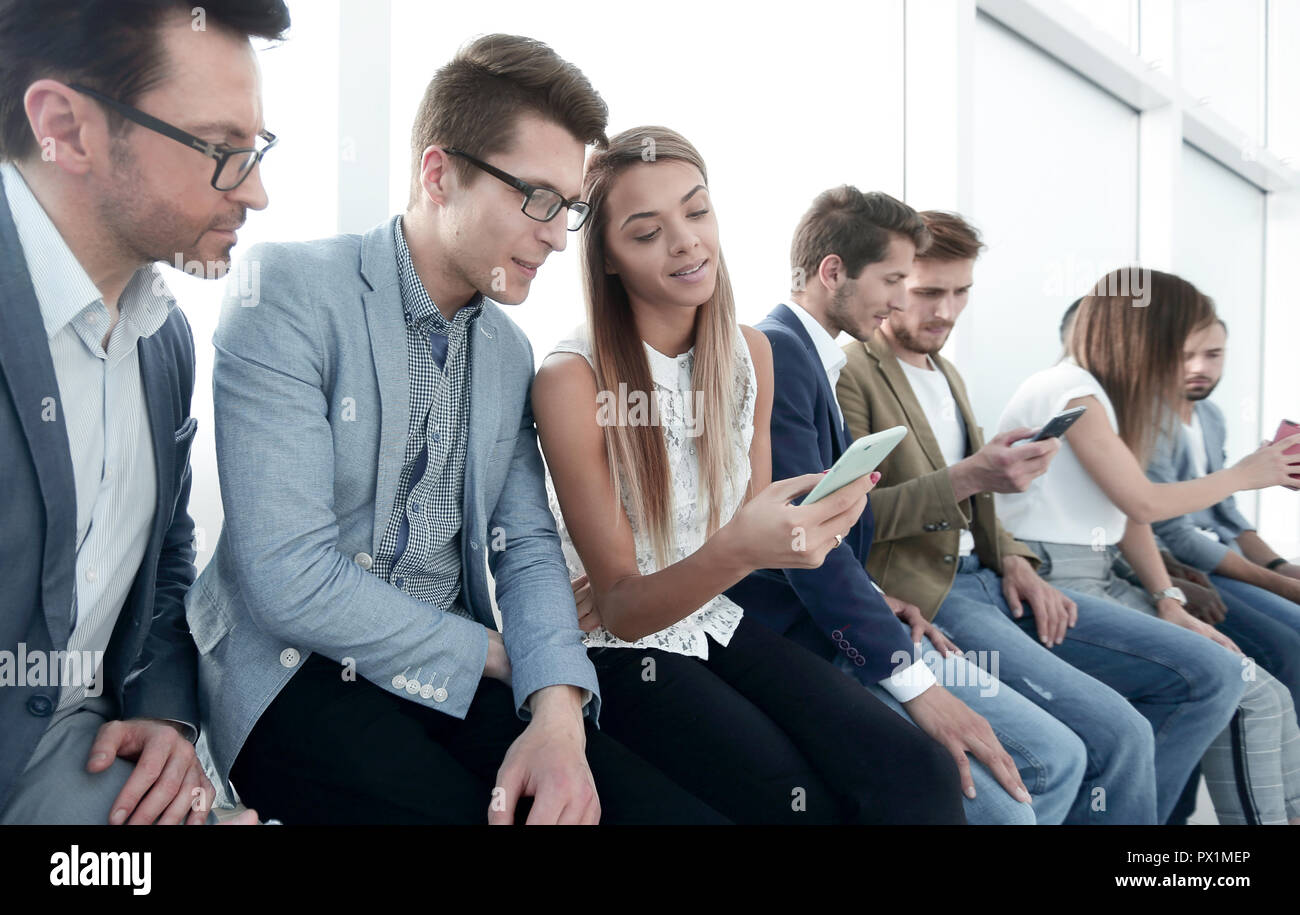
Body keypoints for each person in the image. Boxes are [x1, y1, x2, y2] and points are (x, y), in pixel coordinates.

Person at [190, 35, 726, 825]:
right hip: (296, 673)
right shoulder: (288, 293)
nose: (554, 234)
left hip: (462, 675)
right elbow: (288, 577)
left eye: (568, 208)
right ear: (438, 174)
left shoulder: (508, 352)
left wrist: (556, 707)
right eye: (536, 197)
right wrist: (486, 653)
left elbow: (529, 545)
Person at [534, 127, 967, 824]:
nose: (687, 243)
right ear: (607, 259)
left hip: (712, 613)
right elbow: (623, 609)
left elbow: (748, 533)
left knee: (918, 771)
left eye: (696, 211)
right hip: (619, 648)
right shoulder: (570, 378)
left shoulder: (752, 355)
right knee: (801, 802)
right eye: (647, 232)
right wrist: (728, 552)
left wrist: (819, 521)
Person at [837, 212, 1250, 824]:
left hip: (997, 579)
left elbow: (978, 506)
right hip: (936, 594)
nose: (946, 311)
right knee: (1118, 736)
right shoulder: (852, 371)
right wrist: (976, 475)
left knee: (1205, 675)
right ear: (892, 284)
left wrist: (1015, 561)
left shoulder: (945, 373)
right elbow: (851, 518)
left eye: (962, 292)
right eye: (928, 292)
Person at [0, 0, 286, 826]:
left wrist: (165, 710)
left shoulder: (163, 341)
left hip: (74, 750)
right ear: (68, 127)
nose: (258, 192)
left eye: (255, 148)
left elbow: (167, 551)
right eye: (222, 151)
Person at [727, 188, 1086, 825]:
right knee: (1023, 798)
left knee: (1057, 757)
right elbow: (804, 542)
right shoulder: (780, 352)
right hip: (807, 639)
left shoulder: (812, 356)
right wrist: (913, 682)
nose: (901, 300)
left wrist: (875, 593)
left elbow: (822, 532)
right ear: (833, 271)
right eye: (894, 280)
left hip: (857, 613)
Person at [997, 268, 1300, 825]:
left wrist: (1168, 600)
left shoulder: (1100, 398)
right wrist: (1246, 474)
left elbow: (1124, 516)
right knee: (1245, 694)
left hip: (1099, 574)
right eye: (1180, 343)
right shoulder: (1067, 390)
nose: (1189, 363)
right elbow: (1143, 504)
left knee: (1266, 695)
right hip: (1056, 579)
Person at [1145, 316, 1300, 705]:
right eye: (1186, 356)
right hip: (1193, 564)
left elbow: (1226, 510)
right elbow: (1174, 532)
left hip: (1225, 557)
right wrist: (1279, 584)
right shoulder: (1146, 423)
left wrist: (1279, 565)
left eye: (1213, 354)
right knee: (1288, 643)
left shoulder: (1210, 416)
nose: (1201, 368)